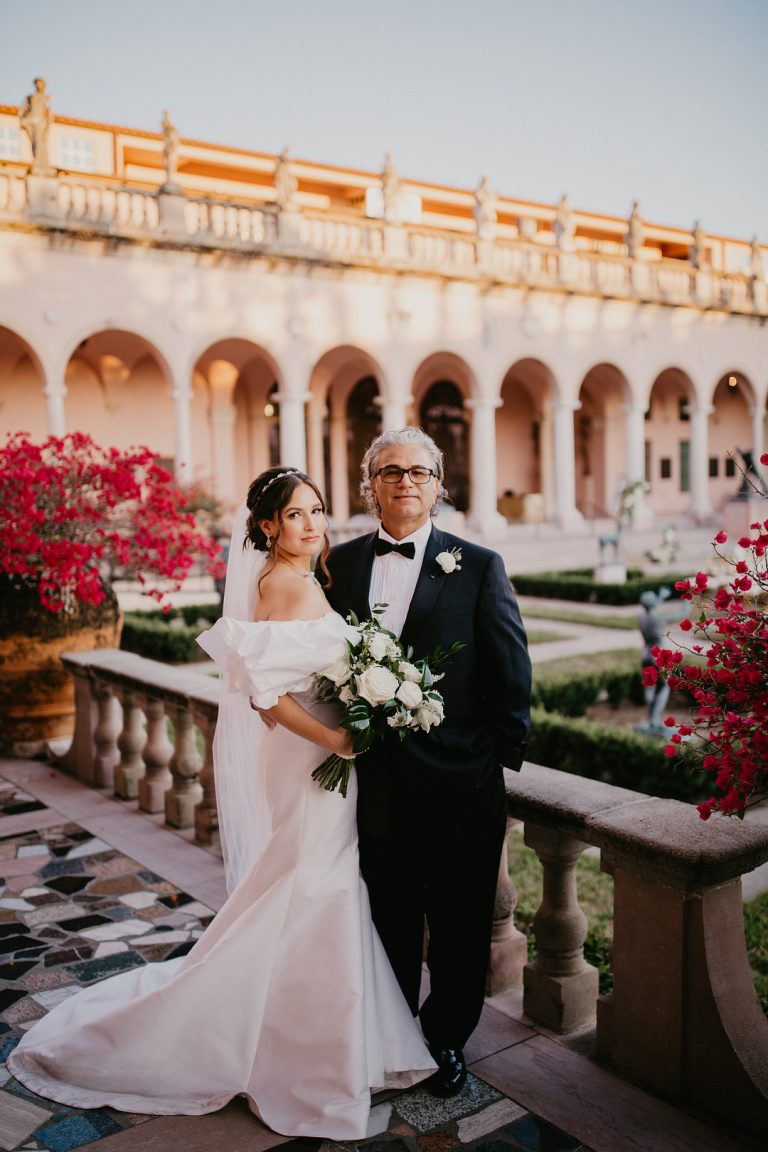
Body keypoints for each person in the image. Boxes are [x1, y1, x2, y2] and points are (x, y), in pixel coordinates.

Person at [8, 466, 435, 1140]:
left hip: (323, 757)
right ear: (268, 526)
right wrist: (334, 734)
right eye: (296, 515)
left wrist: (364, 702)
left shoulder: (308, 579)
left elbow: (297, 681)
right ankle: (310, 1060)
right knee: (317, 885)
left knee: (314, 885)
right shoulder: (280, 586)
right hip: (311, 759)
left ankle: (340, 1044)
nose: (313, 524)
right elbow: (265, 699)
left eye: (318, 510)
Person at [322, 427, 532, 1097]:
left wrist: (491, 761)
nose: (404, 481)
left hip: (461, 784)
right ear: (369, 485)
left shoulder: (479, 565)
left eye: (419, 471)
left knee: (461, 924)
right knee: (386, 916)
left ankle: (445, 1039)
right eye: (390, 471)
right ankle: (390, 1033)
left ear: (440, 485)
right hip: (372, 785)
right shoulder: (341, 565)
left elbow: (510, 670)